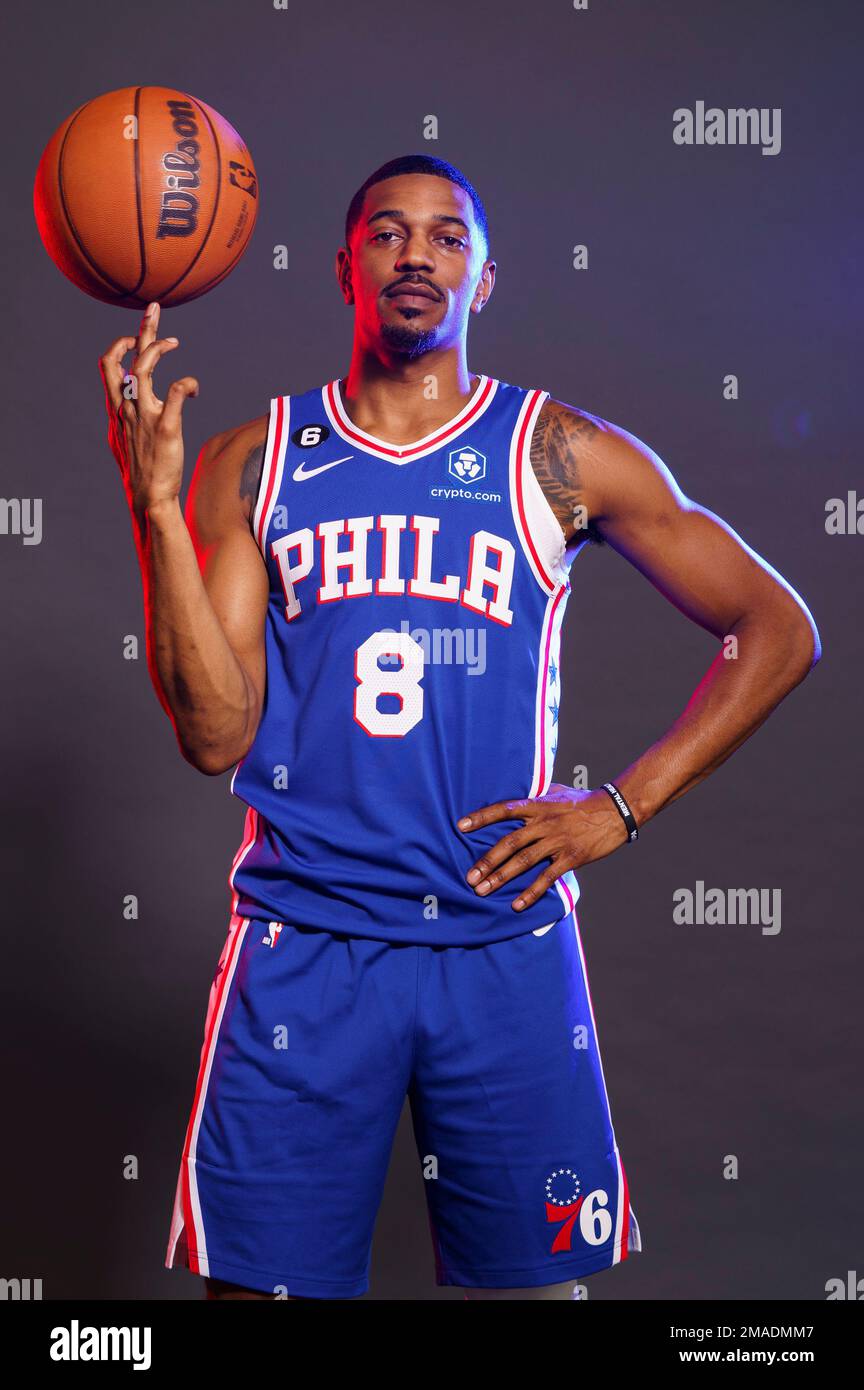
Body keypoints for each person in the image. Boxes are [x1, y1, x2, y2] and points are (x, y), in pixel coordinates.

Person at [99, 154, 820, 1301]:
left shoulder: (556, 454)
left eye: (447, 237)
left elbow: (775, 626)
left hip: (502, 942)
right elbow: (214, 735)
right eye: (389, 234)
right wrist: (154, 510)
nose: (417, 255)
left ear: (483, 278)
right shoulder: (256, 460)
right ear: (345, 268)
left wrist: (623, 807)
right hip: (304, 943)